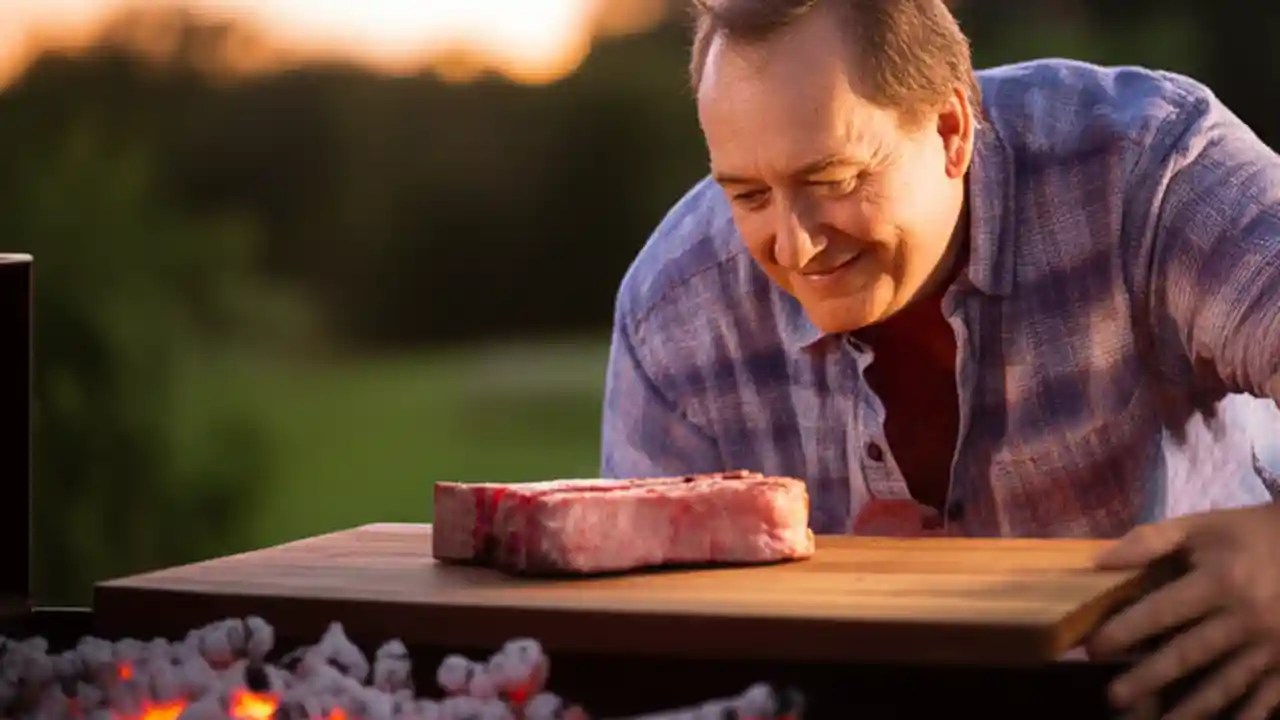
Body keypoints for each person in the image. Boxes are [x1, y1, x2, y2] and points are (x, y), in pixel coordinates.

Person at [597, 0, 1280, 716]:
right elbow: (651, 644)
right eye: (748, 195)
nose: (794, 247)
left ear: (951, 129)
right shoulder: (673, 310)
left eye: (832, 180)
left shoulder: (1147, 168)